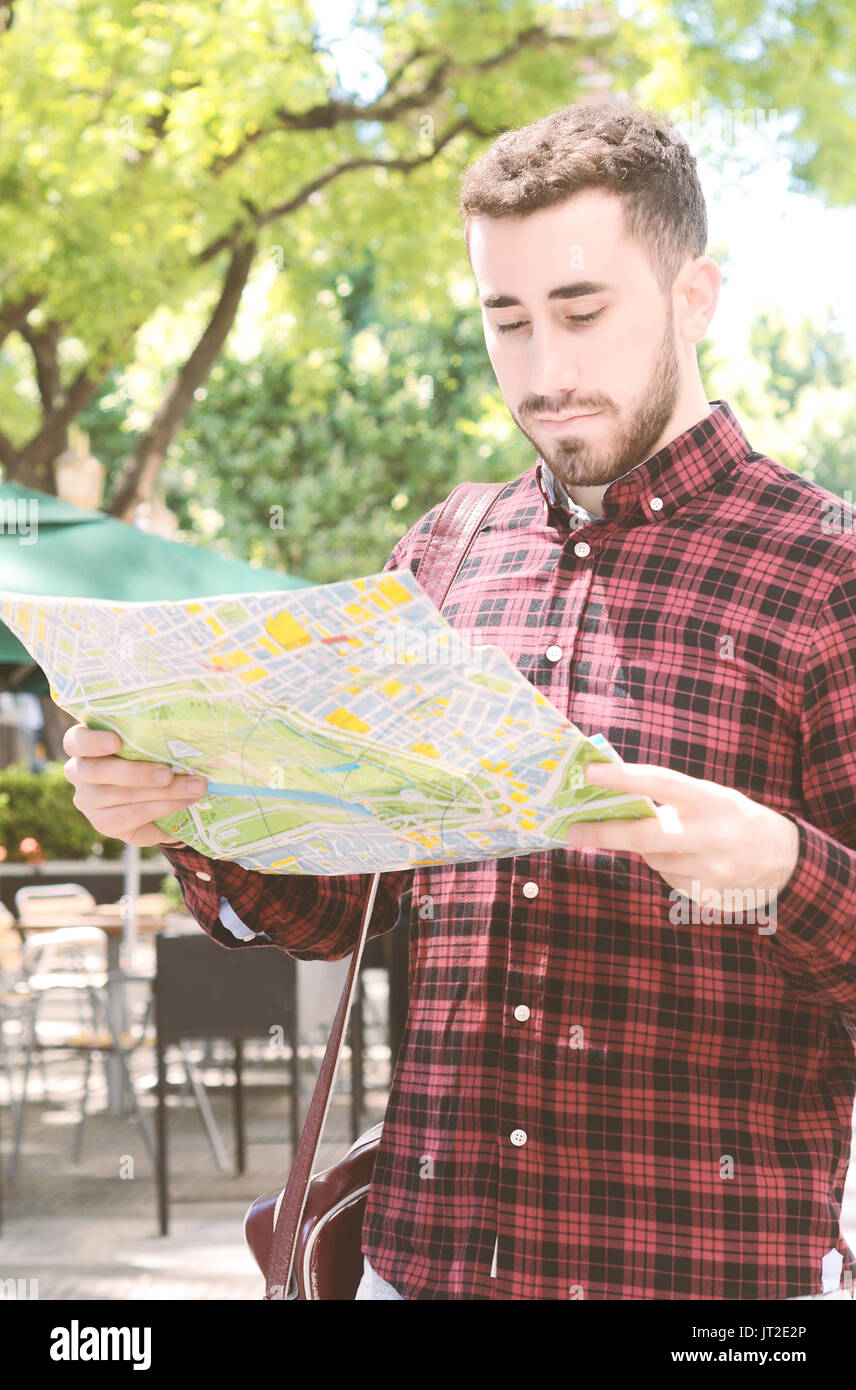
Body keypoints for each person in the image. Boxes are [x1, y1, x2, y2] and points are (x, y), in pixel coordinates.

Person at [63, 99, 856, 1302]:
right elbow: (339, 907)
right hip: (418, 1266)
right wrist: (181, 809)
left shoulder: (828, 573)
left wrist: (782, 871)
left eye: (581, 314)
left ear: (693, 296)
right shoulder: (441, 556)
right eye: (507, 320)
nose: (544, 373)